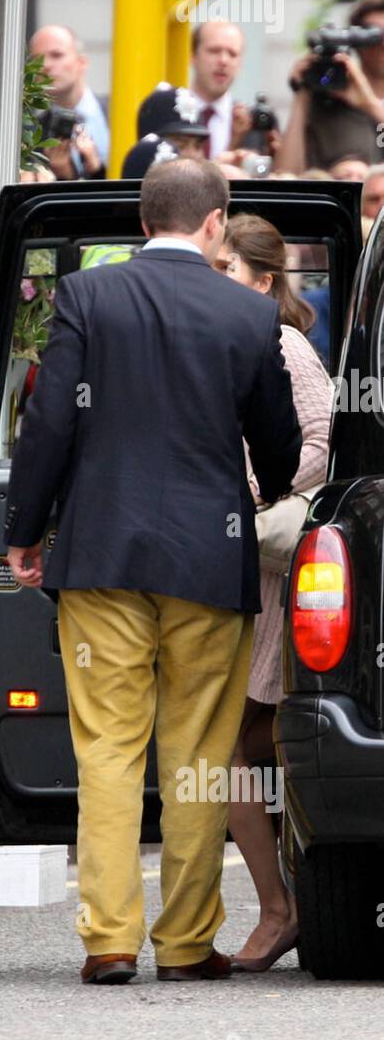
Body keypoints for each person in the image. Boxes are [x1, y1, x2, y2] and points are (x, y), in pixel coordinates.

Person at [4, 157, 301, 986]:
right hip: (209, 557)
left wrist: (26, 532)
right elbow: (278, 444)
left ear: (142, 223)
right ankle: (183, 943)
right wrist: (264, 491)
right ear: (215, 225)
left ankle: (109, 939)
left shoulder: (90, 297)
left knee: (106, 748)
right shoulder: (247, 315)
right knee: (199, 754)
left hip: (100, 555)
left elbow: (48, 424)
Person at [213, 215, 332, 972]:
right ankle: (291, 905)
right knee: (241, 751)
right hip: (245, 575)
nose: (214, 278)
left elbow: (320, 445)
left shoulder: (284, 344)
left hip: (278, 572)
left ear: (264, 281)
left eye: (226, 269)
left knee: (245, 751)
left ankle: (286, 908)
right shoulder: (236, 340)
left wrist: (252, 494)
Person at [275, 0, 384, 174]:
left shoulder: (369, 105)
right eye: (375, 35)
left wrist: (371, 105)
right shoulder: (329, 100)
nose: (382, 44)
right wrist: (302, 95)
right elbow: (285, 175)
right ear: (357, 42)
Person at [28, 25, 109, 179]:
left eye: (57, 55)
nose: (45, 65)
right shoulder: (30, 135)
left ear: (82, 62)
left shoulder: (119, 112)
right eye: (36, 59)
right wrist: (63, 176)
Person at [190, 21, 245, 159]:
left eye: (232, 54)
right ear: (193, 56)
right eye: (214, 51)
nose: (223, 61)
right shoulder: (169, 116)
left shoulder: (252, 127)